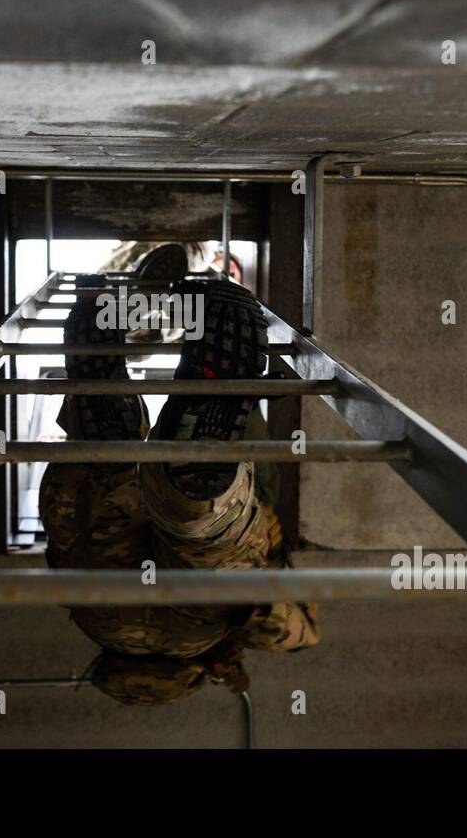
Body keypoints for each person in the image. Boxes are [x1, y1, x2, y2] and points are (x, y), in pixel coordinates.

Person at [40, 244, 320, 706]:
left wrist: (239, 621)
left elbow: (297, 633)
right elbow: (60, 552)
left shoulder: (205, 647)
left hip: (201, 604)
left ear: (191, 678)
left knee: (208, 528)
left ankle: (193, 492)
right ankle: (110, 442)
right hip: (102, 577)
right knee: (103, 484)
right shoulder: (93, 622)